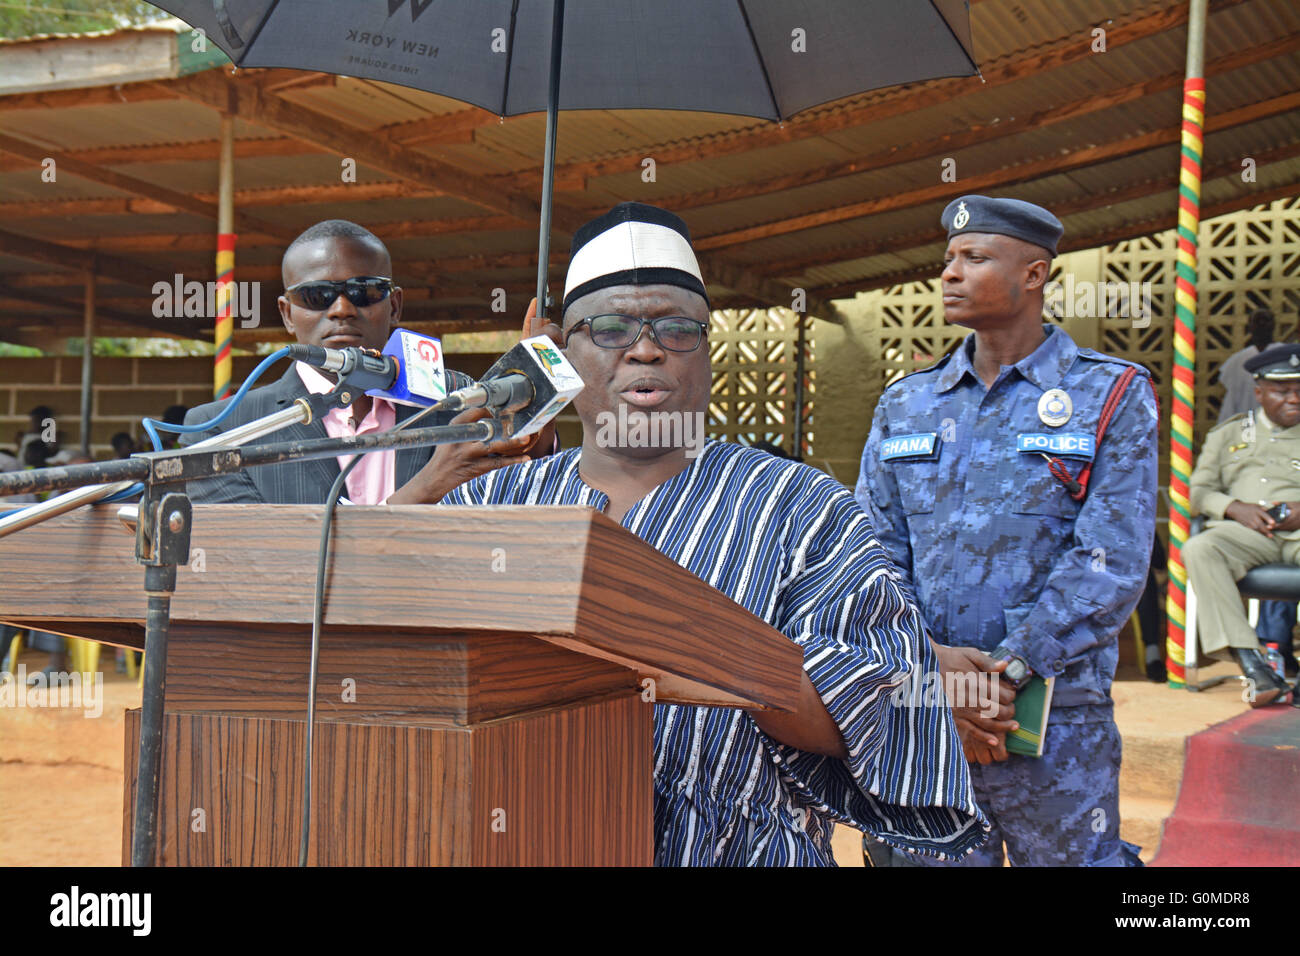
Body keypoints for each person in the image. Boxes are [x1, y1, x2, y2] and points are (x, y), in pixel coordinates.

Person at [441, 201, 987, 866]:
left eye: (676, 328)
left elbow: (884, 709)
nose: (645, 348)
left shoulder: (803, 508)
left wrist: (697, 644)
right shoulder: (493, 504)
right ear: (561, 355)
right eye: (609, 328)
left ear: (706, 351)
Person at [857, 195, 1158, 867]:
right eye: (947, 260)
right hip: (923, 708)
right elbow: (872, 554)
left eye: (975, 257)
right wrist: (932, 671)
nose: (950, 273)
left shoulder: (1110, 395)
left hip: (1054, 718)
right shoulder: (906, 403)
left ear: (1035, 274)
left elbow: (1110, 561)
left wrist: (1010, 672)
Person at [182, 220, 550, 504]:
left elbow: (528, 478)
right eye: (316, 295)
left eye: (364, 292)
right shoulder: (222, 432)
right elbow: (250, 565)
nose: (342, 309)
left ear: (394, 307)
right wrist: (421, 492)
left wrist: (538, 388)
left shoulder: (454, 403)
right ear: (287, 314)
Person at [1184, 344, 1300, 704]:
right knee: (1200, 547)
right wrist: (1234, 507)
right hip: (1249, 534)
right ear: (1259, 392)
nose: (1293, 399)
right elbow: (1198, 493)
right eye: (1283, 391)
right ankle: (1253, 665)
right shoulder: (1228, 435)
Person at [1217, 309, 1277, 423]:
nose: (1262, 325)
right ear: (1250, 326)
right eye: (1257, 321)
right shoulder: (1237, 361)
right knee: (1248, 439)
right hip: (1247, 421)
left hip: (1278, 422)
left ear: (1273, 325)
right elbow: (1231, 398)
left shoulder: (1283, 355)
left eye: (1266, 321)